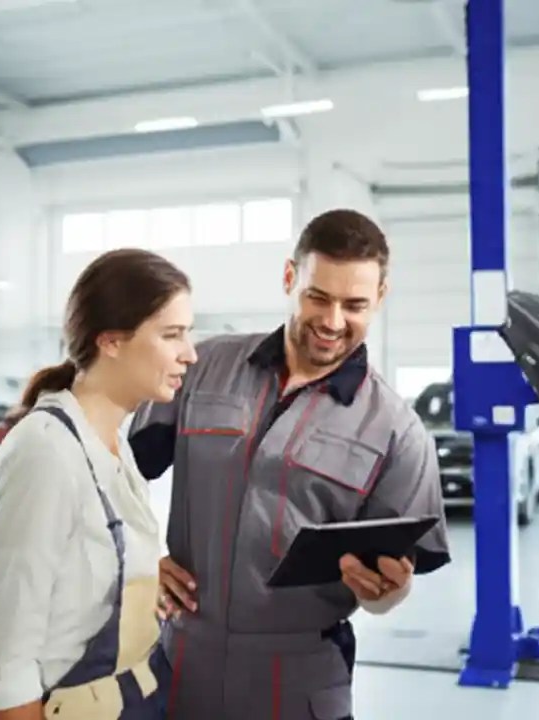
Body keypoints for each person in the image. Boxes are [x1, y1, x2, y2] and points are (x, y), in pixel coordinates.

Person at [128, 208, 451, 719]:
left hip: (302, 681)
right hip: (181, 664)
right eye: (317, 297)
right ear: (288, 277)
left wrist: (387, 591)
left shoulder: (397, 432)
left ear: (381, 297)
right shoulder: (202, 367)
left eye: (355, 305)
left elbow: (391, 581)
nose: (332, 321)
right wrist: (138, 556)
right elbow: (112, 472)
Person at [0, 248, 198, 720]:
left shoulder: (114, 444)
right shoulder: (45, 452)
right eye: (171, 335)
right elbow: (11, 659)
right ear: (111, 341)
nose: (189, 354)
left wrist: (146, 572)